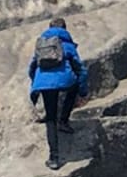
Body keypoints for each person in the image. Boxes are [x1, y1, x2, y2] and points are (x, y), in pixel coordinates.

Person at [28, 18, 88, 169]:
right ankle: (64, 121)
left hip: (44, 84)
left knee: (50, 118)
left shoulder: (41, 44)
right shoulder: (67, 45)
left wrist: (36, 84)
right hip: (65, 80)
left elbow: (32, 67)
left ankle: (54, 158)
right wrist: (83, 91)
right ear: (65, 29)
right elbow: (80, 69)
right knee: (73, 87)